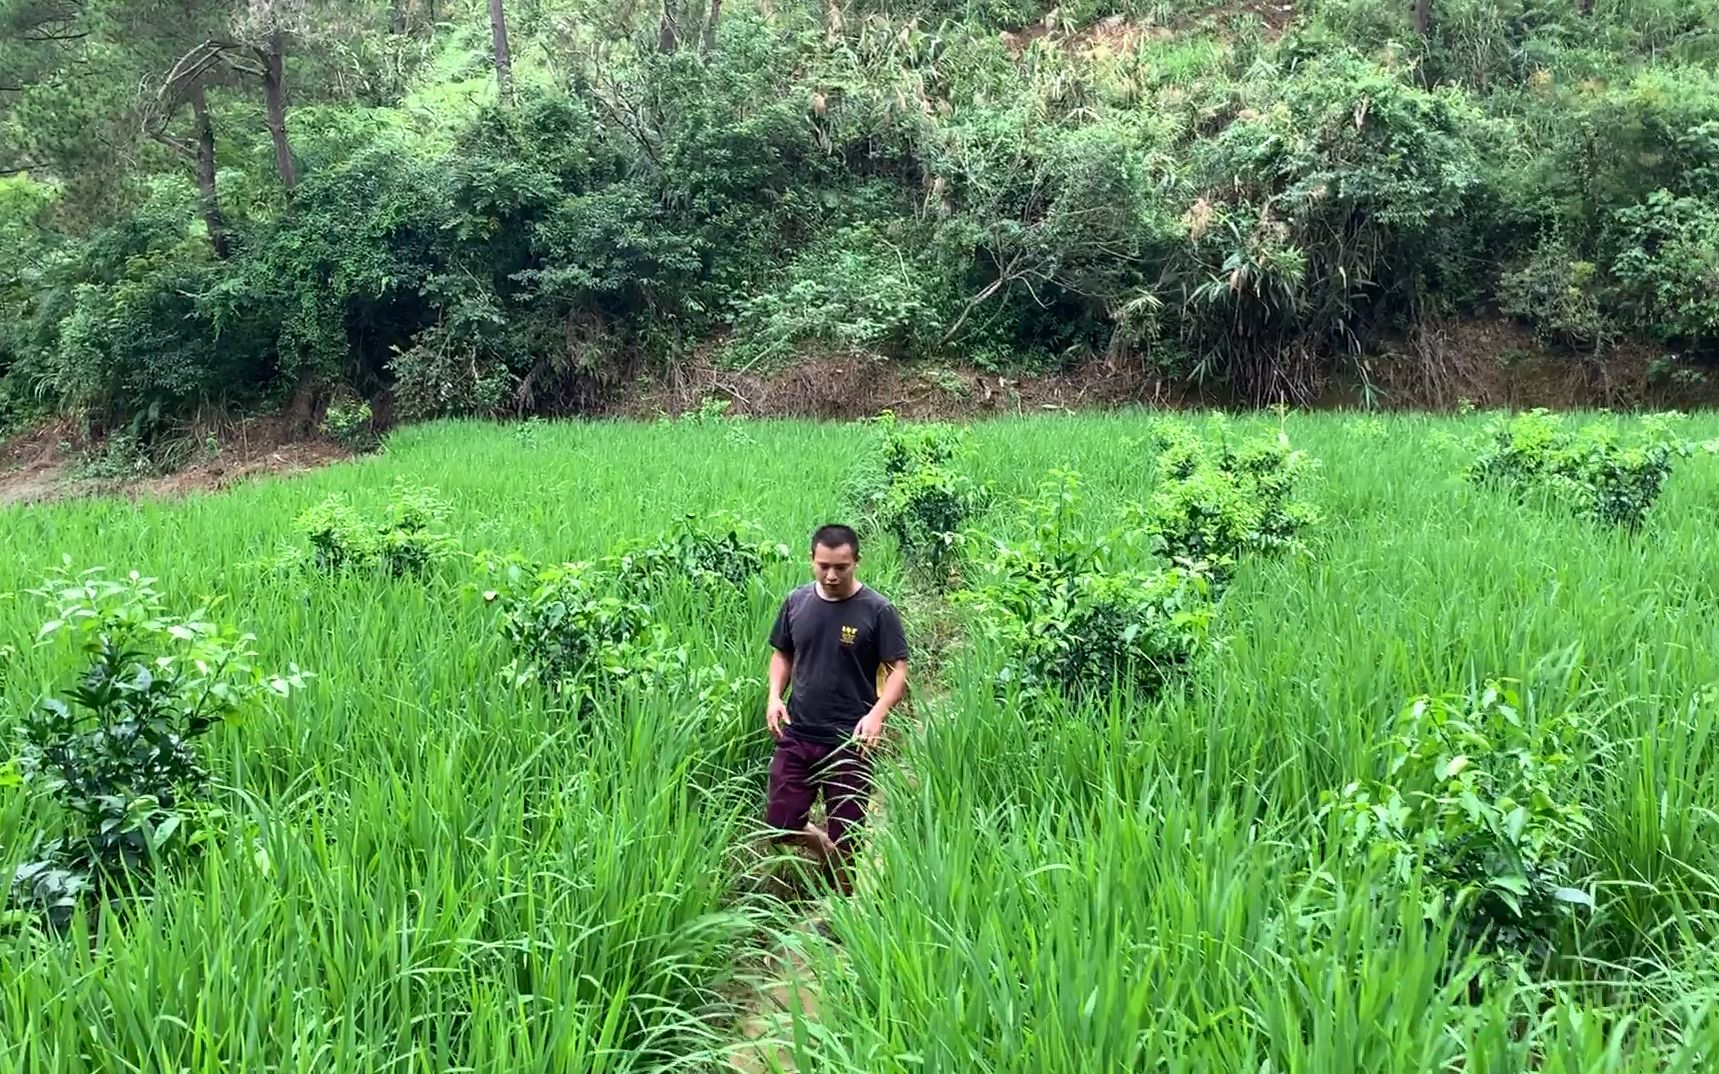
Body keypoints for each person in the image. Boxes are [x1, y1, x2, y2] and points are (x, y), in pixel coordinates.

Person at [764, 523, 908, 897]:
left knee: (848, 837)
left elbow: (898, 671)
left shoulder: (877, 610)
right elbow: (782, 654)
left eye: (841, 567)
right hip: (798, 732)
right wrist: (775, 696)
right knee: (780, 823)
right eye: (823, 565)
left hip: (851, 741)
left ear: (856, 562)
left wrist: (877, 714)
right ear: (811, 560)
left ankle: (838, 913)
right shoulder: (796, 602)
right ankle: (824, 847)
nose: (831, 575)